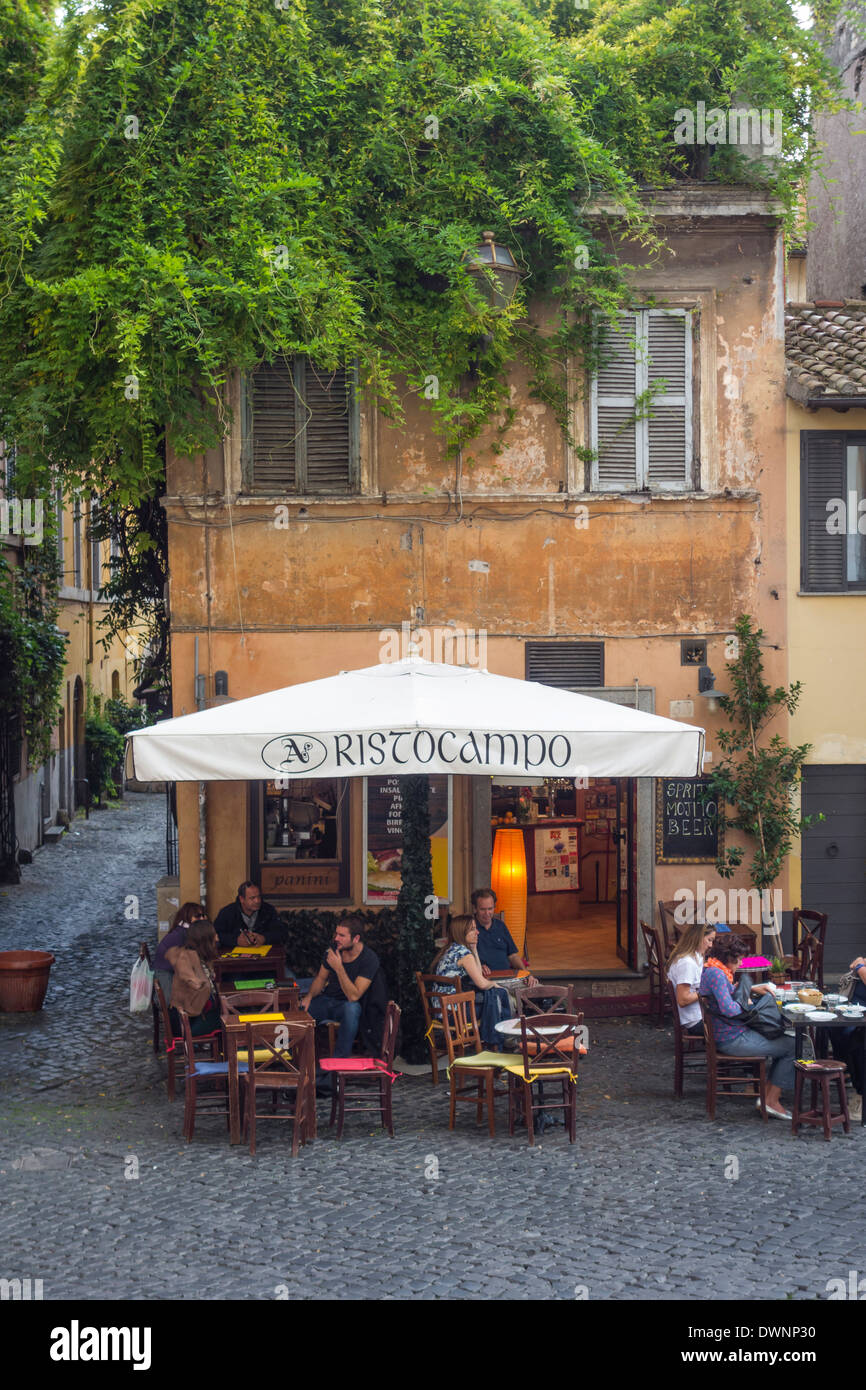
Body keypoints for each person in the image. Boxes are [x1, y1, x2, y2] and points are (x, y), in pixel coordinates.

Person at [699, 933, 796, 1119]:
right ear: (728, 958)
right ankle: (771, 1100)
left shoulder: (713, 969)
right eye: (739, 960)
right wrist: (747, 1004)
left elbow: (726, 994)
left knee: (785, 1041)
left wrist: (751, 989)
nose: (740, 964)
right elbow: (729, 1008)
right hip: (732, 1038)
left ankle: (767, 1097)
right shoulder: (717, 975)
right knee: (792, 1046)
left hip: (729, 1034)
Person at [300, 917, 386, 1057]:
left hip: (347, 1005)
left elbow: (354, 996)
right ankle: (297, 1060)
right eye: (336, 934)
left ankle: (339, 1061)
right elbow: (321, 978)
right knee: (301, 1010)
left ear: (356, 938)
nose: (336, 938)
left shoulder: (369, 958)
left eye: (342, 935)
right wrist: (309, 997)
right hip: (327, 1000)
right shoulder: (333, 950)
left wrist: (339, 968)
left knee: (351, 1009)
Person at [431, 914, 512, 1049]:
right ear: (463, 932)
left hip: (443, 1010)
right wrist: (497, 985)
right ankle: (498, 1040)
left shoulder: (453, 949)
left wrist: (474, 949)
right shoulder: (463, 954)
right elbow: (482, 983)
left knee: (491, 997)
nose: (477, 932)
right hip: (455, 1014)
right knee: (496, 995)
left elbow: (478, 974)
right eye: (473, 929)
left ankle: (497, 1040)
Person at [166, 919, 222, 1037]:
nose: (217, 938)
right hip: (188, 1024)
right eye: (214, 935)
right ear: (205, 940)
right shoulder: (187, 960)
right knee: (229, 1018)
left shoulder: (197, 956)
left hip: (194, 1016)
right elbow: (199, 990)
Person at [471, 888, 538, 985]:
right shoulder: (470, 928)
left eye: (490, 909)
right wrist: (477, 967)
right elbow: (464, 959)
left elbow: (513, 955)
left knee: (544, 993)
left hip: (509, 978)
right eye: (482, 909)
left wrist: (527, 974)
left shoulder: (500, 926)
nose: (487, 913)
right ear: (475, 908)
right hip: (486, 981)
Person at [830, 953, 866, 1120]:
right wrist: (860, 966)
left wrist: (860, 968)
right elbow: (856, 962)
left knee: (857, 1041)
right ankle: (845, 1072)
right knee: (832, 1026)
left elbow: (858, 966)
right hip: (854, 1008)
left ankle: (860, 1095)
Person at [666, 921, 716, 1035]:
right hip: (695, 1021)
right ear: (698, 938)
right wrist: (707, 993)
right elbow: (683, 1000)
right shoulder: (687, 963)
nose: (710, 945)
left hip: (699, 1014)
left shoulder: (696, 956)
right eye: (709, 940)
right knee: (738, 1020)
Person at [153, 902, 206, 1001]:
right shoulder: (183, 933)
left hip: (172, 970)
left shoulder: (183, 930)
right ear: (187, 917)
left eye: (203, 915)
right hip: (166, 972)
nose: (202, 919)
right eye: (198, 916)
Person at [214, 881, 287, 949]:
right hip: (235, 958)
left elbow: (281, 933)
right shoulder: (227, 913)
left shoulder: (268, 910)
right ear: (242, 899)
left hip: (264, 957)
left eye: (259, 897)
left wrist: (264, 938)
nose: (257, 901)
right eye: (252, 898)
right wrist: (236, 940)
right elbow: (215, 935)